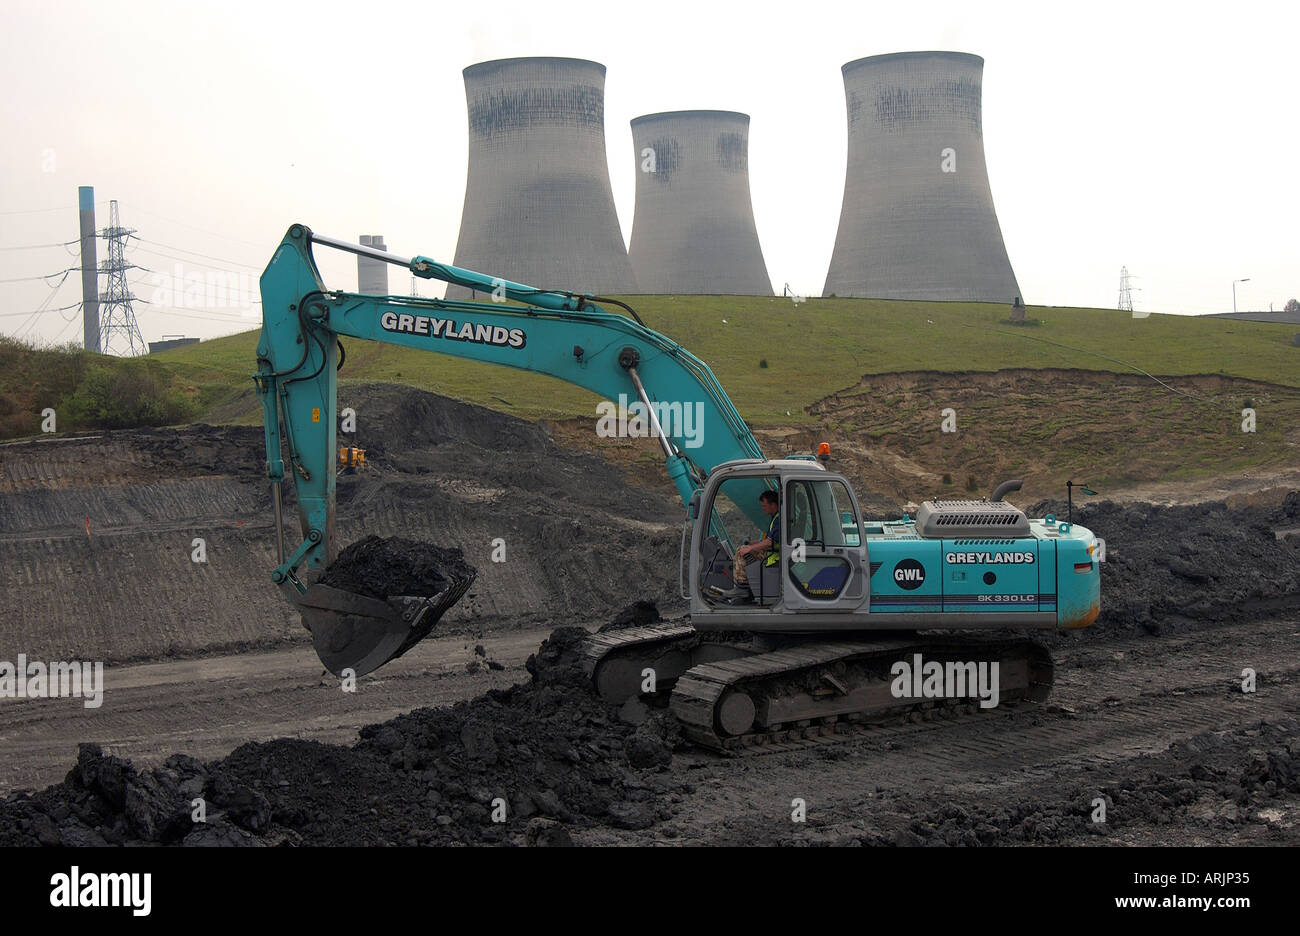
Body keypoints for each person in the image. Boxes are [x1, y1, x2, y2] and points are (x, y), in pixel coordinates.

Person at [718, 490, 779, 599]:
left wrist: (750, 548)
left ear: (773, 505)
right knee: (743, 549)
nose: (763, 508)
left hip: (774, 557)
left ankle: (742, 587)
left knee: (741, 551)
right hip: (772, 552)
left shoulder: (778, 520)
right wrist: (753, 544)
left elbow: (770, 542)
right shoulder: (776, 518)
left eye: (764, 505)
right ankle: (743, 586)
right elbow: (770, 540)